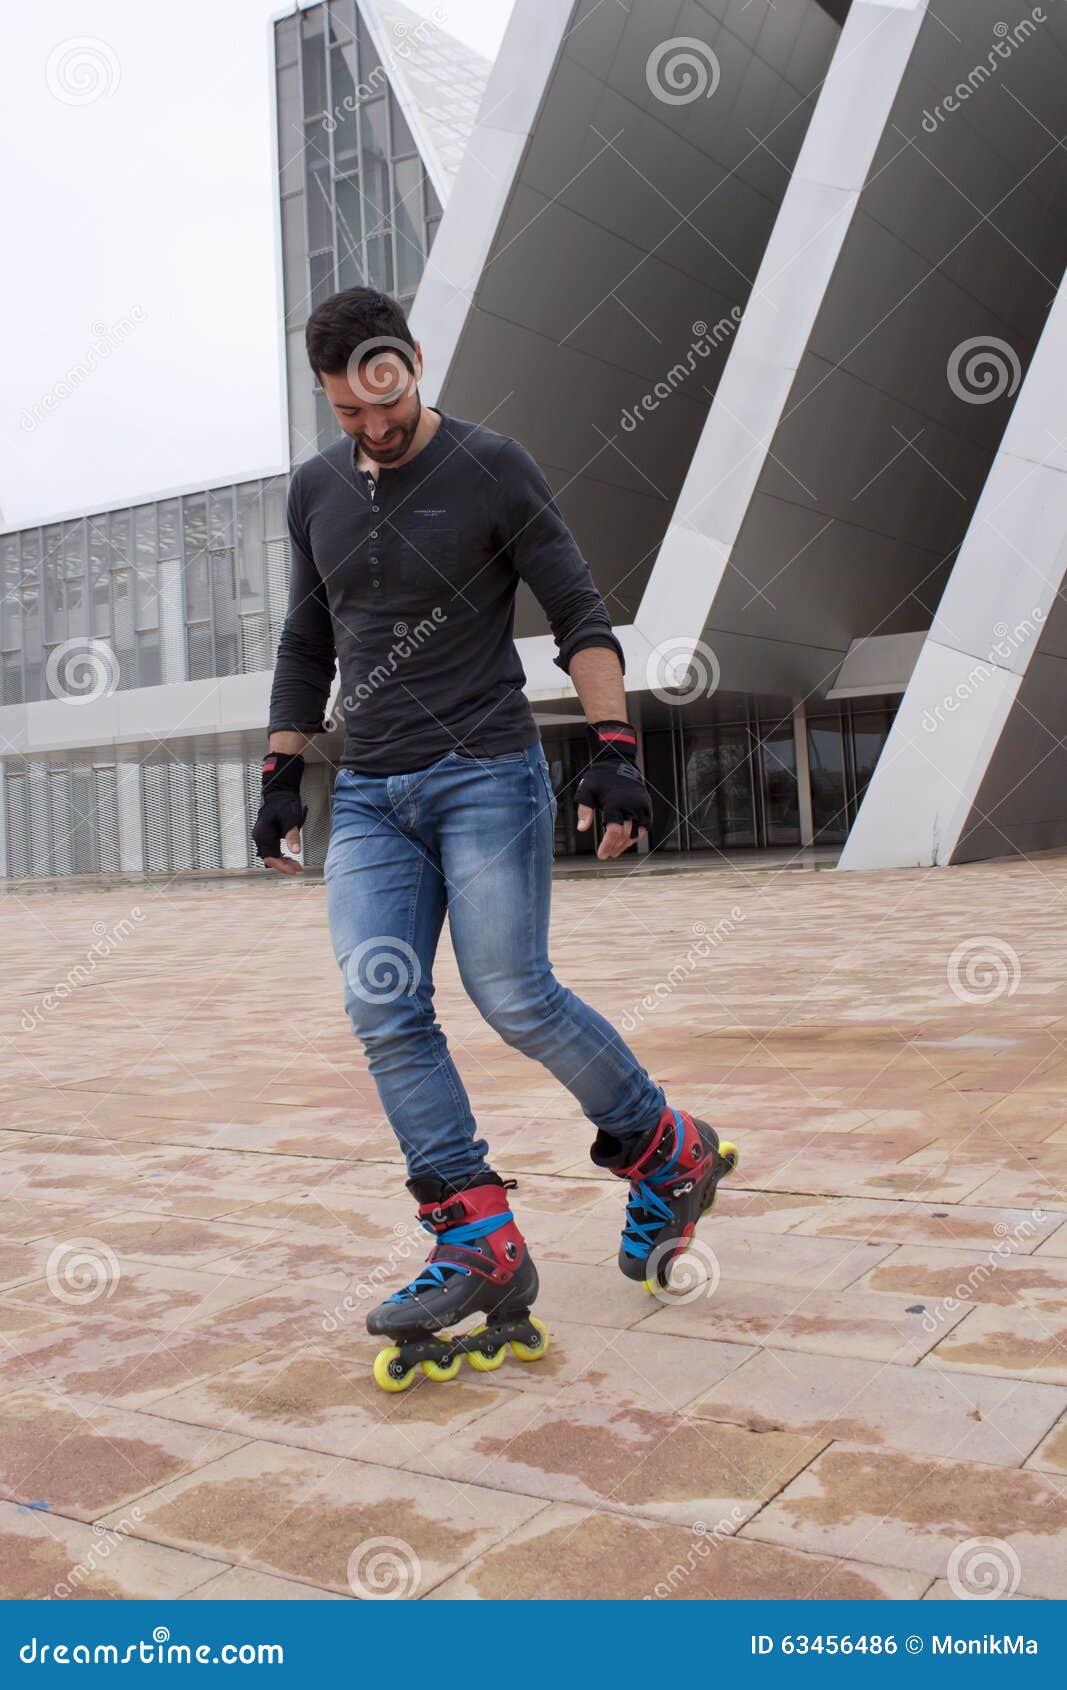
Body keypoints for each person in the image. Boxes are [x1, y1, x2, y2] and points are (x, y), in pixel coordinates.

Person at [253, 288, 736, 1389]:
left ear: (410, 363)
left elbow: (578, 613)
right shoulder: (314, 491)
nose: (370, 432)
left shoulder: (490, 465)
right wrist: (283, 767)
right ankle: (475, 1237)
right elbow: (306, 633)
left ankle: (666, 1149)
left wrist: (615, 747)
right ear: (328, 399)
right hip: (370, 791)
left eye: (383, 406)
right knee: (381, 1000)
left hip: (481, 768)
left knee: (511, 990)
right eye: (345, 417)